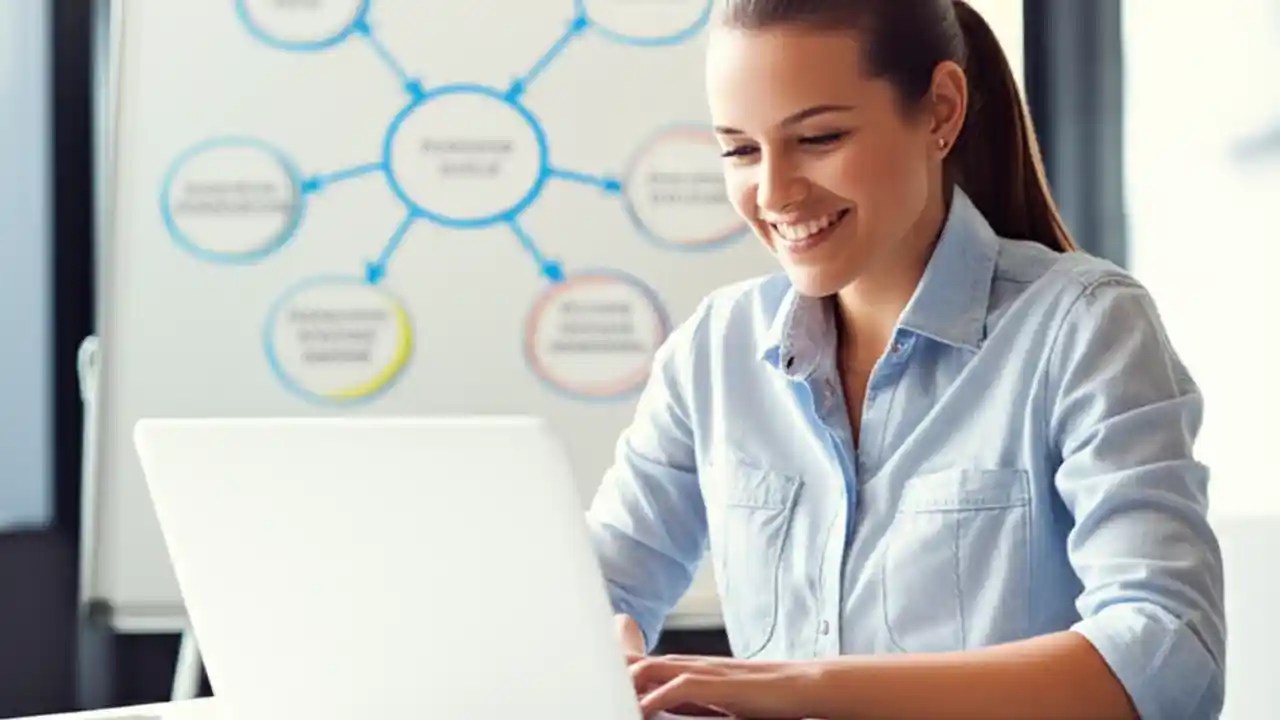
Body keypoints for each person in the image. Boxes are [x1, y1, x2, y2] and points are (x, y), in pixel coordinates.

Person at [584, 0, 1226, 718]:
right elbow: (588, 594)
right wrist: (594, 649)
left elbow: (1166, 656)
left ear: (941, 112)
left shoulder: (1083, 327)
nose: (773, 193)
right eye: (740, 150)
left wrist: (802, 686)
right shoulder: (717, 349)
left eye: (819, 137)